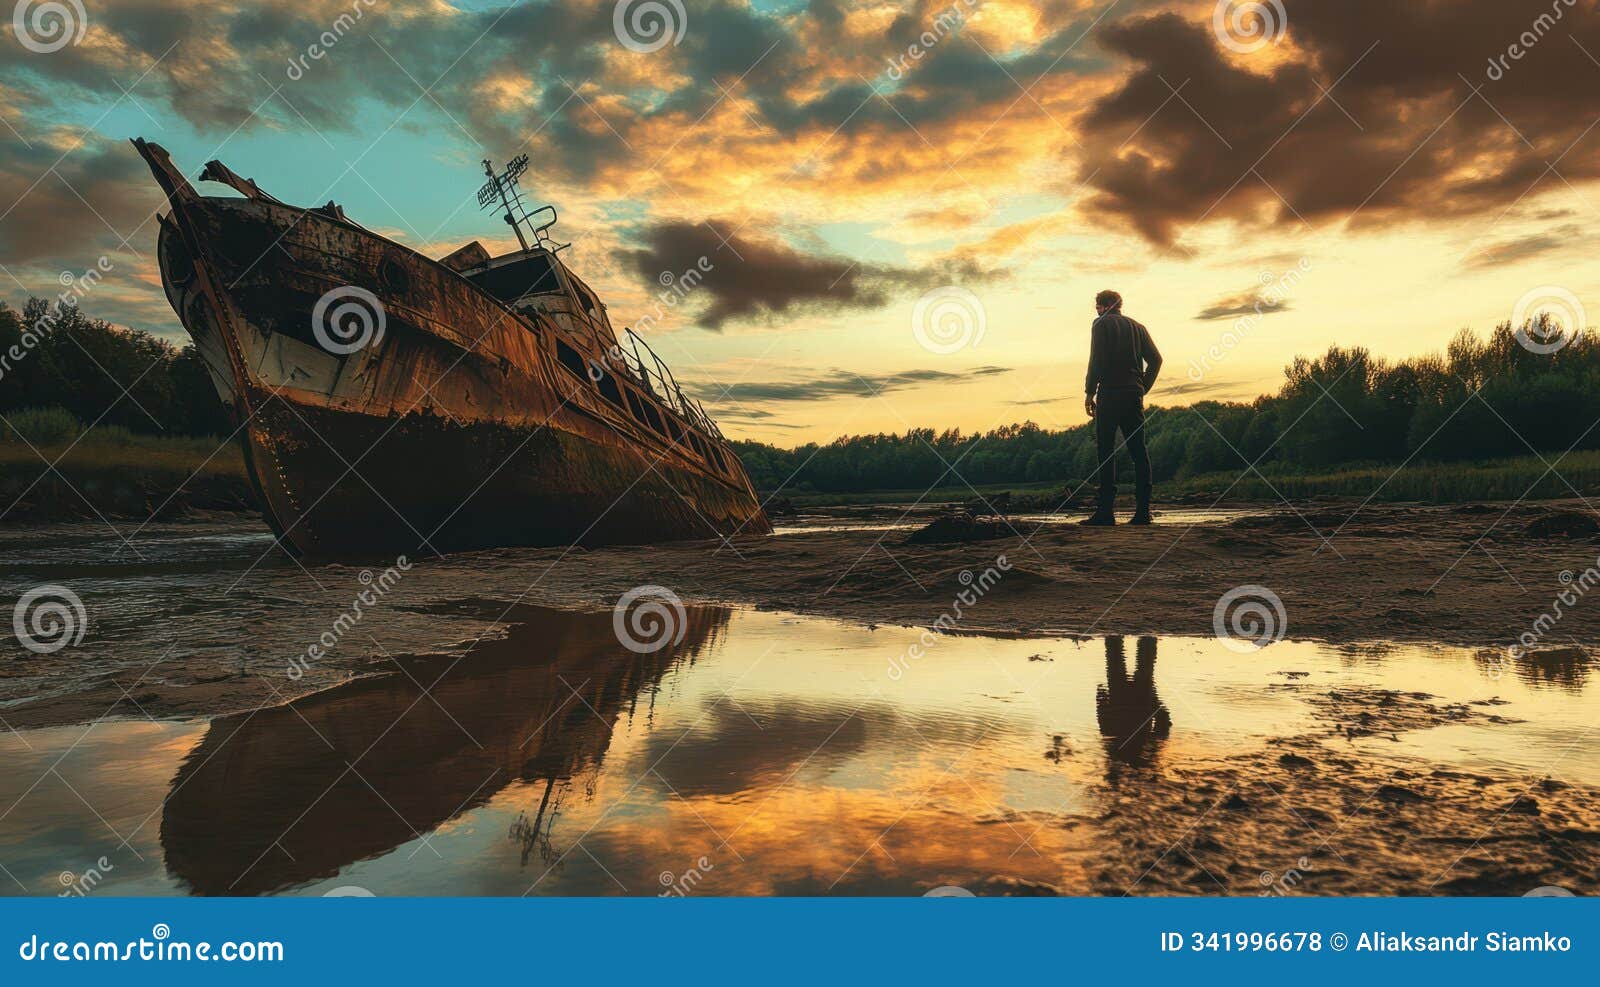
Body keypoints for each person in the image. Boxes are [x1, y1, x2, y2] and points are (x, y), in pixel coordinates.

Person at [1082, 289, 1161, 526]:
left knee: (1106, 451)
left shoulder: (1101, 324)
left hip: (1110, 392)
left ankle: (1106, 512)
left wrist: (1089, 391)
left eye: (1097, 305)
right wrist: (1142, 387)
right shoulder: (1138, 327)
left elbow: (1096, 360)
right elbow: (1156, 359)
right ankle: (1143, 512)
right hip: (1133, 394)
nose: (1096, 310)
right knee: (1139, 451)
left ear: (1103, 306)